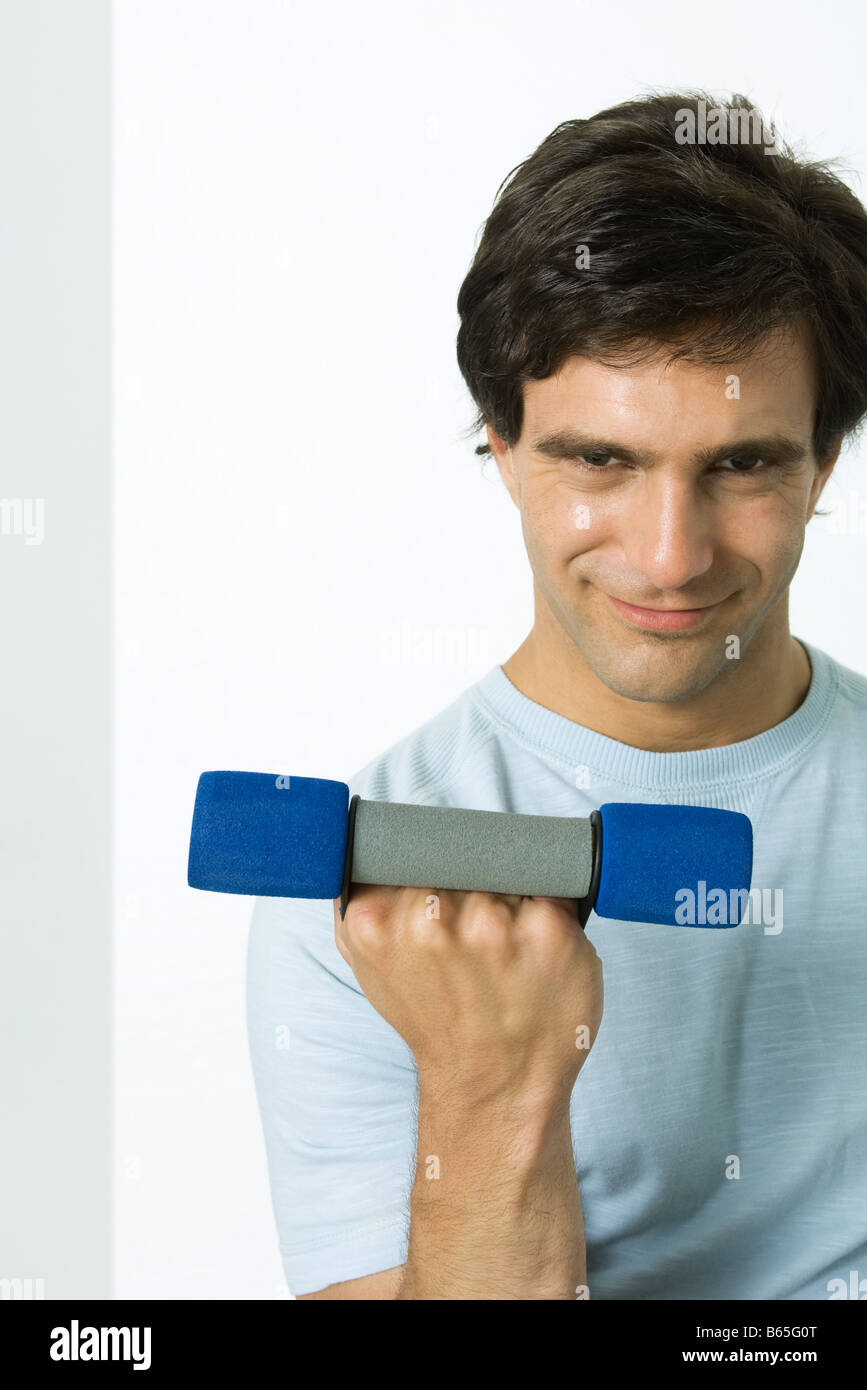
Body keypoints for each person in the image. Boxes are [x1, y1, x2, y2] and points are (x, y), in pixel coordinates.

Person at [246, 91, 867, 1300]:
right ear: (501, 441)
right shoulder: (352, 910)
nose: (671, 553)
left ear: (823, 462)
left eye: (741, 464)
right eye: (601, 460)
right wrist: (492, 1095)